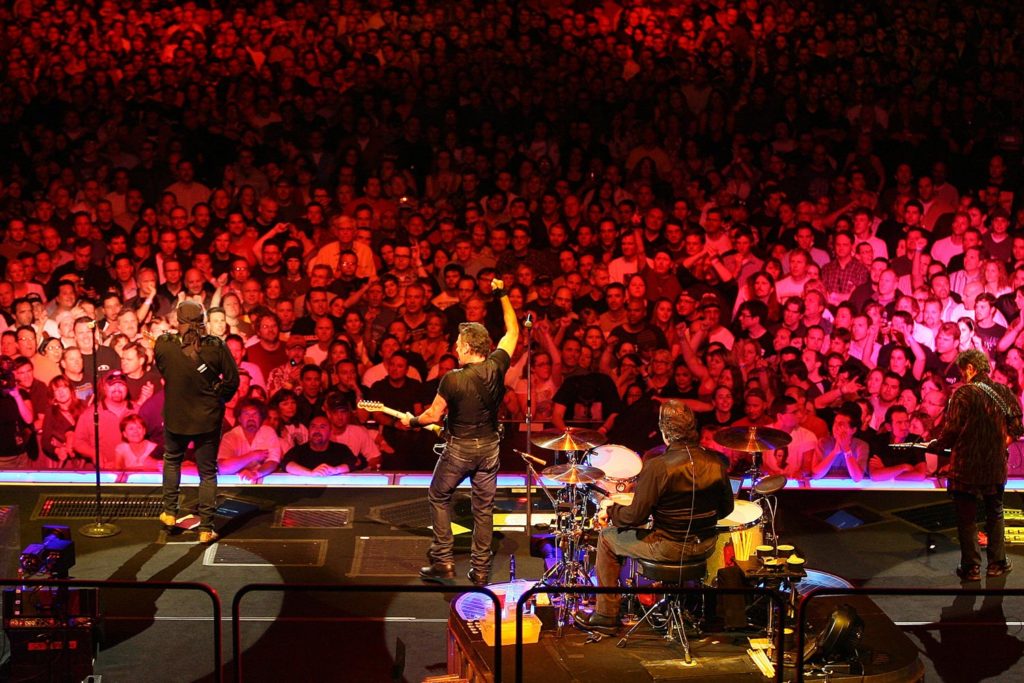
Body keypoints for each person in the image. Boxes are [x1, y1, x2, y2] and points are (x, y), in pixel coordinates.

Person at [575, 399, 734, 635]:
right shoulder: (715, 463)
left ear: (664, 432)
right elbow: (726, 509)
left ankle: (605, 616)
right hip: (705, 545)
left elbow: (633, 517)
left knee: (608, 538)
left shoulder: (657, 466)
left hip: (669, 547)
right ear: (693, 429)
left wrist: (610, 510)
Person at [401, 278, 518, 585]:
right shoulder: (497, 366)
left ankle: (443, 560)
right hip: (490, 448)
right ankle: (479, 570)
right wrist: (502, 294)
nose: (454, 347)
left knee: (438, 495)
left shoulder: (452, 379)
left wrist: (412, 421)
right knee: (483, 509)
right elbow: (513, 330)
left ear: (467, 347)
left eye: (457, 344)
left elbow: (432, 415)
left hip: (460, 449)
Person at [931, 350, 1023, 581]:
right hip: (994, 466)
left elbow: (951, 431)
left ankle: (971, 569)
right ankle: (997, 565)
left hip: (966, 466)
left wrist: (936, 445)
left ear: (970, 368)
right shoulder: (1004, 392)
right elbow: (1018, 428)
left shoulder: (963, 394)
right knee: (995, 512)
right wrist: (997, 444)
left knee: (967, 517)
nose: (962, 376)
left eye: (963, 371)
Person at [156, 301, 240, 544]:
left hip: (176, 417)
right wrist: (220, 397)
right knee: (207, 473)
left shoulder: (164, 345)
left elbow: (164, 371)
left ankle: (170, 513)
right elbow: (233, 381)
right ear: (203, 320)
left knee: (173, 462)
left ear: (178, 321)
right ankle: (206, 528)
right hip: (208, 419)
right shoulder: (216, 346)